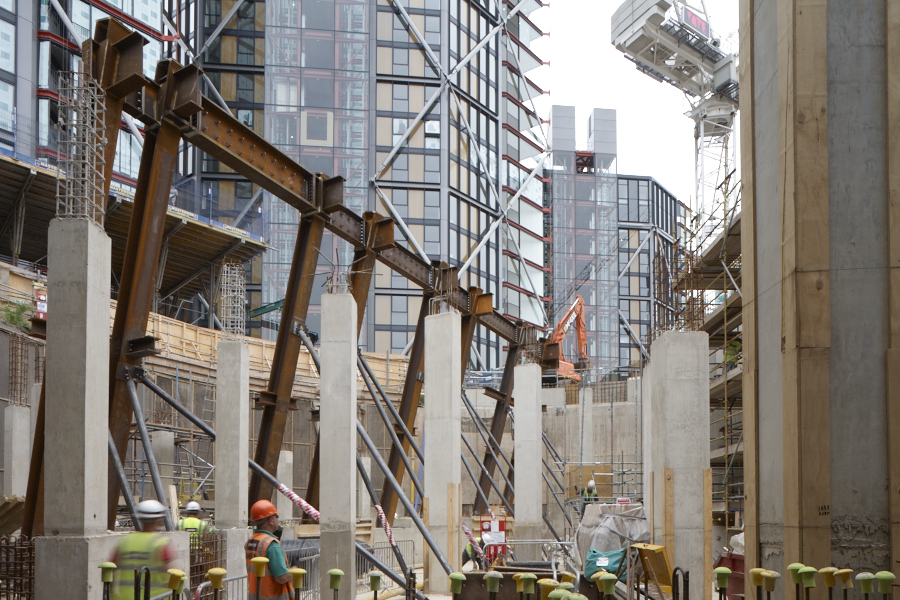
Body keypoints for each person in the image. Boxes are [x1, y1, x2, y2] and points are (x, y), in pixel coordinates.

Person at [111, 499, 175, 600]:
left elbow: (110, 568)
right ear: (158, 519)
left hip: (124, 597)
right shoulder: (161, 544)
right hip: (155, 597)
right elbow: (174, 574)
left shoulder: (123, 542)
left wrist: (112, 594)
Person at [246, 499, 293, 599]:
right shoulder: (272, 545)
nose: (278, 520)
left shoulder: (252, 541)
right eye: (276, 516)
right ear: (271, 520)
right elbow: (282, 577)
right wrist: (295, 570)